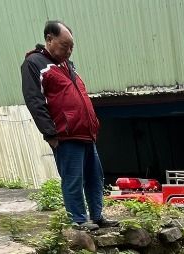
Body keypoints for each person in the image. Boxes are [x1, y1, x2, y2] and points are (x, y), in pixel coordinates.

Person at [22, 20, 118, 232]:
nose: (69, 51)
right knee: (73, 179)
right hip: (65, 135)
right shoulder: (35, 63)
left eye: (71, 47)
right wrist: (50, 133)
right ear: (49, 39)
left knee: (95, 177)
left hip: (85, 133)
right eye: (65, 46)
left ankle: (97, 216)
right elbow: (34, 100)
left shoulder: (67, 66)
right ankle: (79, 219)